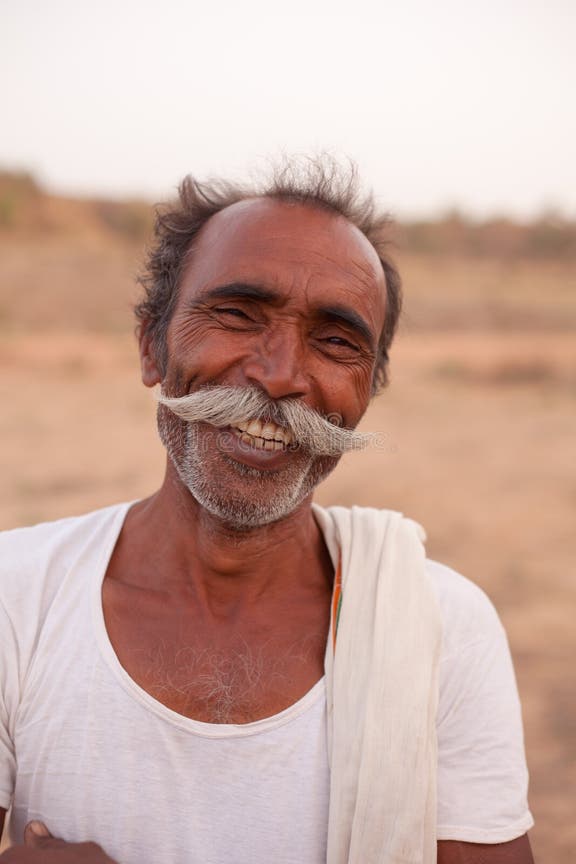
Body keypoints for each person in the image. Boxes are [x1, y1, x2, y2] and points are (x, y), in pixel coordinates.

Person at [0, 158, 534, 863]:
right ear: (149, 345)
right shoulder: (17, 595)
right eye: (237, 314)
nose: (280, 375)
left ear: (366, 390)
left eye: (336, 340)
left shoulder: (439, 628)